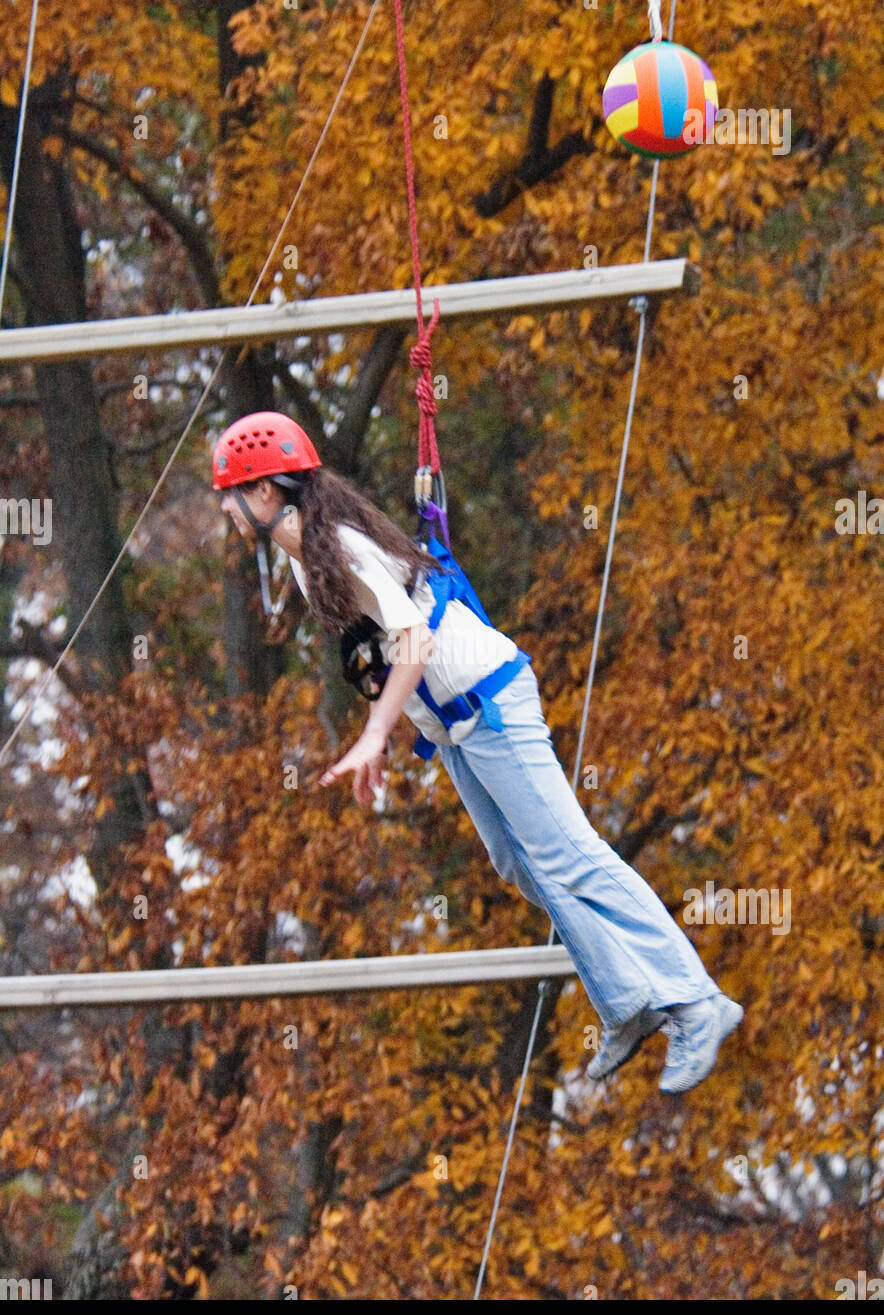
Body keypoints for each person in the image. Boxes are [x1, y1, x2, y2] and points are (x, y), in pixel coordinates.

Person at [212, 410, 743, 1093]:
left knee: (571, 856)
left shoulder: (337, 546)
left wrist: (375, 733)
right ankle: (625, 1002)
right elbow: (386, 646)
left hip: (490, 706)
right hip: (458, 730)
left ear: (263, 494)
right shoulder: (307, 559)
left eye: (230, 494)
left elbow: (416, 642)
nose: (226, 510)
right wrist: (382, 703)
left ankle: (696, 1001)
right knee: (519, 865)